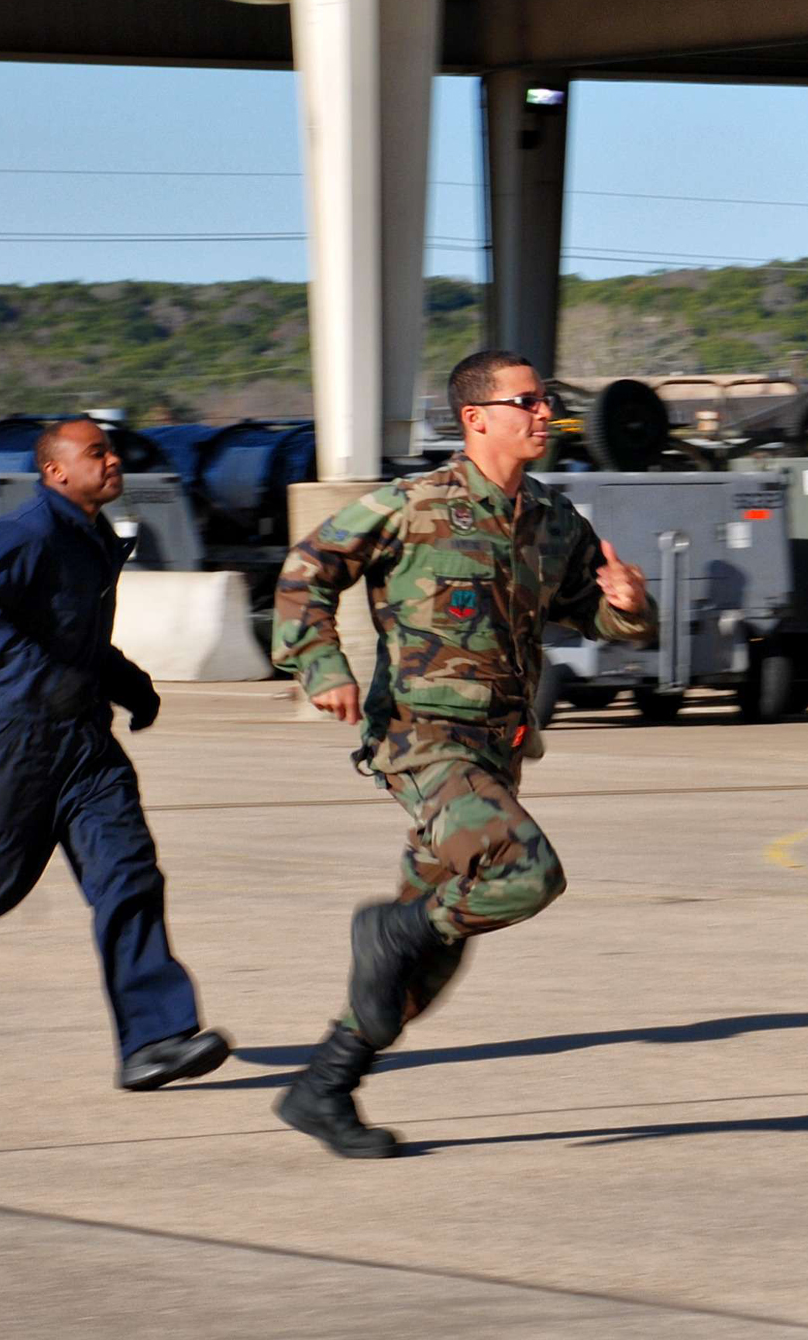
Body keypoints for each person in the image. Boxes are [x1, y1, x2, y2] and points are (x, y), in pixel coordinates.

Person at [266, 350, 651, 1158]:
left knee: (426, 965)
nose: (546, 414)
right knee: (526, 871)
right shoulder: (413, 506)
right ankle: (396, 932)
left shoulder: (552, 521)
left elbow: (593, 615)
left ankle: (324, 1085)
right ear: (477, 418)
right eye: (530, 401)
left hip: (498, 746)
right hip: (422, 738)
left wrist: (629, 608)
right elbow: (309, 567)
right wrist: (321, 663)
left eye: (548, 402)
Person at [0, 418, 224, 1090]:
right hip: (12, 743)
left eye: (111, 450)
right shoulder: (25, 535)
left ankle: (154, 1041)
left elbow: (77, 640)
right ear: (54, 471)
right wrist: (35, 682)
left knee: (129, 875)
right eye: (95, 452)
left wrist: (130, 687)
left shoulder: (92, 539)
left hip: (83, 747)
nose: (113, 461)